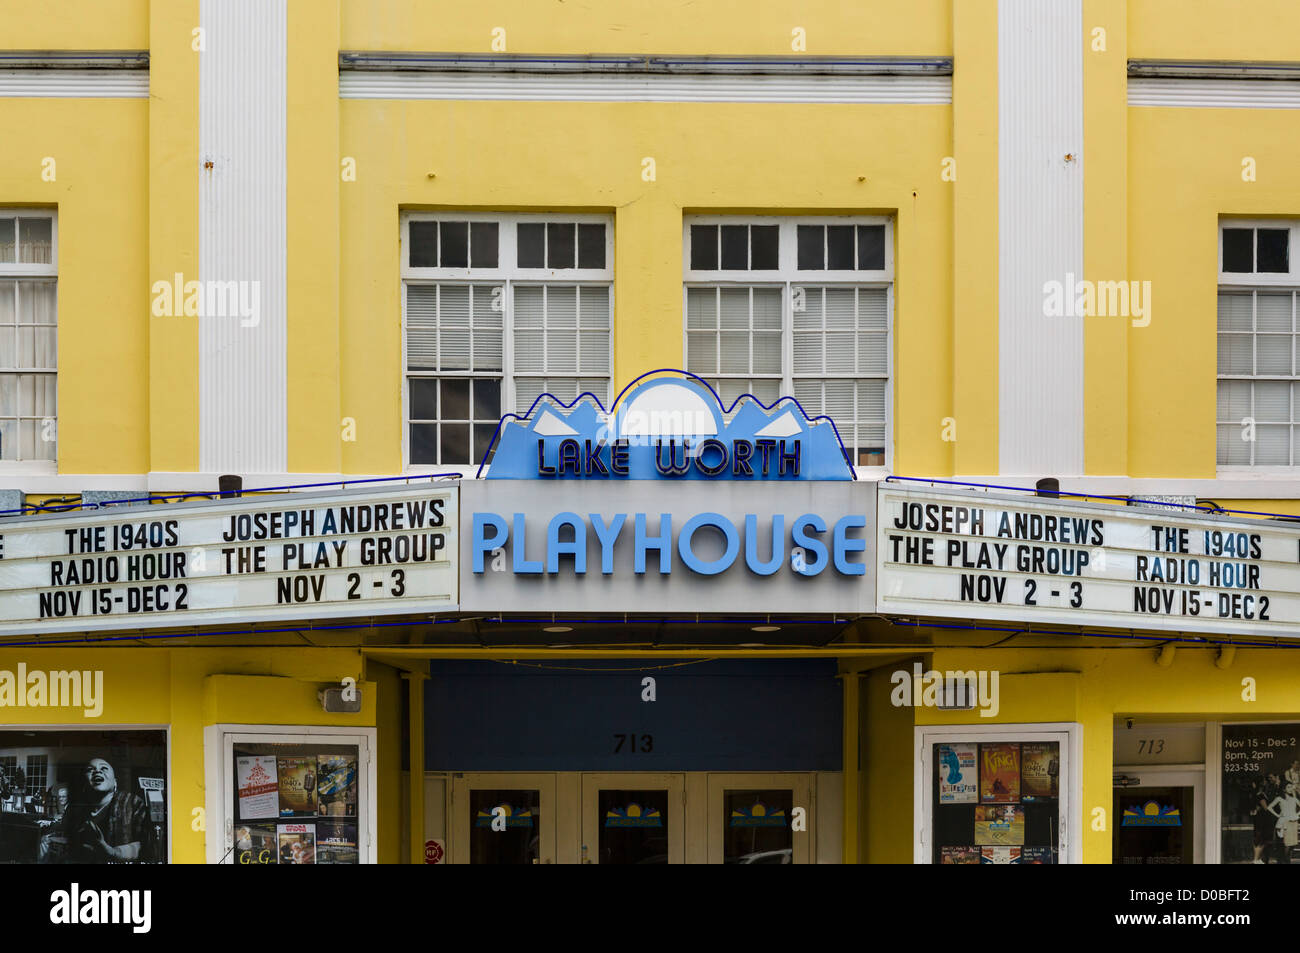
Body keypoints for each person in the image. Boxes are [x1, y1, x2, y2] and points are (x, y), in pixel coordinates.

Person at [38, 758, 156, 863]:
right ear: (84, 781)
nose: (97, 771)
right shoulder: (75, 809)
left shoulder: (131, 803)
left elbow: (145, 845)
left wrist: (112, 852)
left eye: (104, 768)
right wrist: (49, 842)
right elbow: (65, 836)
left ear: (115, 782)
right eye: (90, 769)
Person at [1267, 781, 1300, 865]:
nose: (1290, 789)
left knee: (1292, 844)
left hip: (1293, 822)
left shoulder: (1294, 799)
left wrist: (1297, 814)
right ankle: (1282, 861)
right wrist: (1278, 815)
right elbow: (1269, 807)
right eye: (1288, 787)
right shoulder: (1279, 798)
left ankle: (1286, 861)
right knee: (1286, 844)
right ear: (1284, 789)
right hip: (1284, 823)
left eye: (1291, 787)